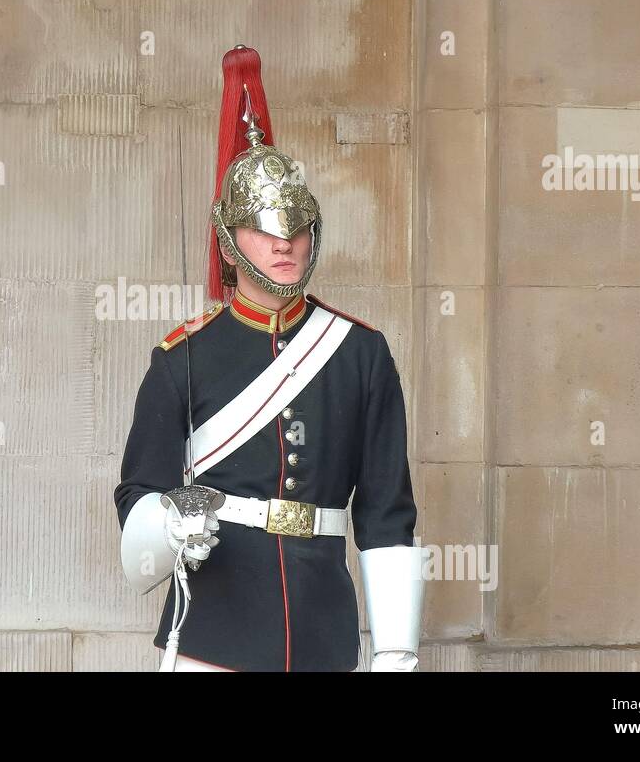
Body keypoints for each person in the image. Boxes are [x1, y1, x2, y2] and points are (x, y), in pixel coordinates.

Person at [113, 44, 428, 672]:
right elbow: (136, 494)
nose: (284, 244)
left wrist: (396, 650)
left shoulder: (359, 354)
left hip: (323, 632)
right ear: (230, 245)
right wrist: (170, 522)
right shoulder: (183, 358)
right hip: (213, 631)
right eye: (264, 229)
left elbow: (386, 511)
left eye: (297, 228)